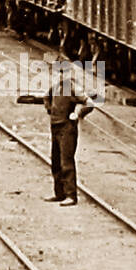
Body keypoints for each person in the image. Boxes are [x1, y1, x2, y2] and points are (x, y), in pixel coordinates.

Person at [44, 61, 95, 206]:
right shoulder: (55, 87)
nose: (59, 76)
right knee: (56, 161)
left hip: (67, 128)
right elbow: (46, 98)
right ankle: (59, 194)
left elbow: (89, 103)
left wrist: (77, 114)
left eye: (62, 72)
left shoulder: (73, 88)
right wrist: (50, 110)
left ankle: (71, 195)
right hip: (55, 126)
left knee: (66, 162)